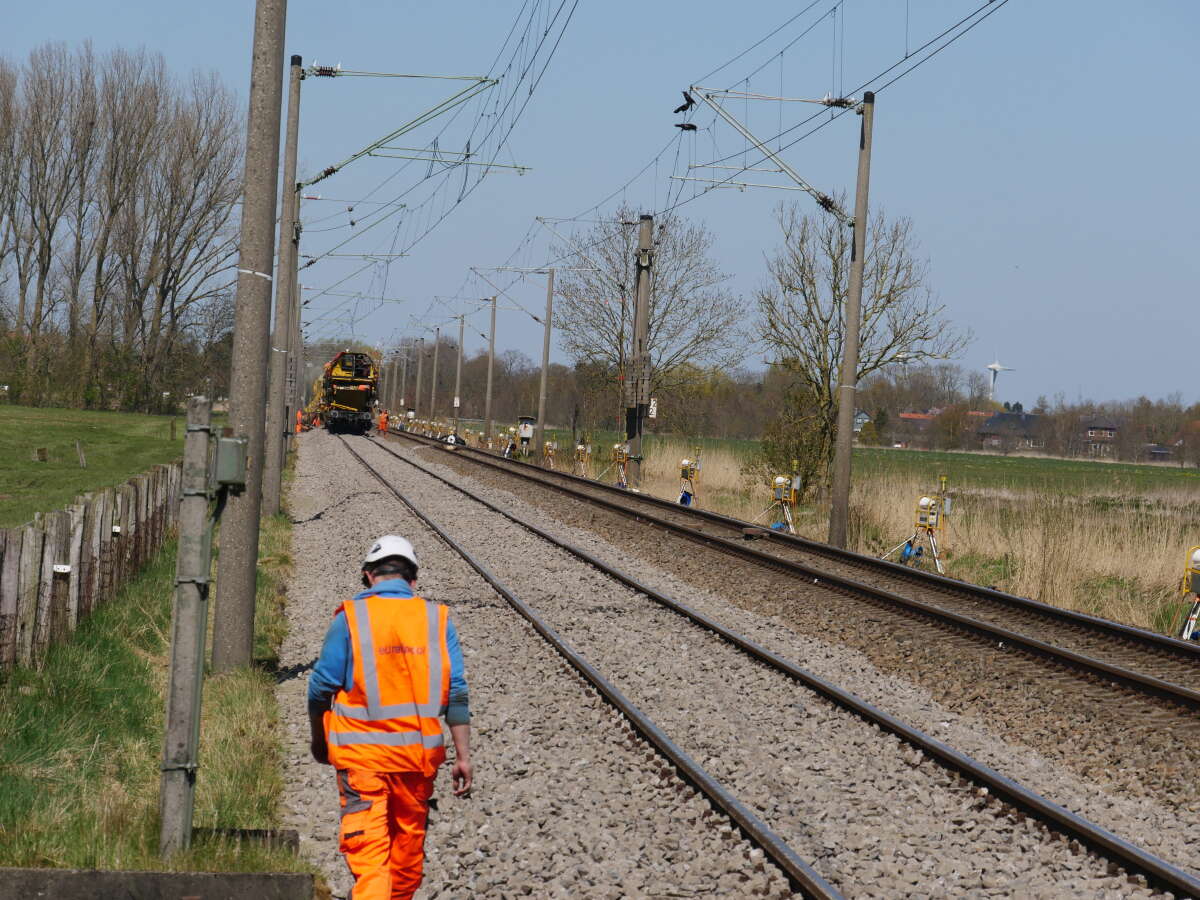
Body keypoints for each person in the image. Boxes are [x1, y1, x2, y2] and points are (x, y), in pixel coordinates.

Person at [308, 535, 472, 899]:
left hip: (361, 761)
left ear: (369, 575)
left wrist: (320, 742)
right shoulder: (437, 620)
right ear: (413, 580)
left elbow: (320, 689)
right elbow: (456, 693)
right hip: (416, 763)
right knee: (406, 857)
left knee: (370, 857)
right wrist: (463, 756)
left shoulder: (350, 617)